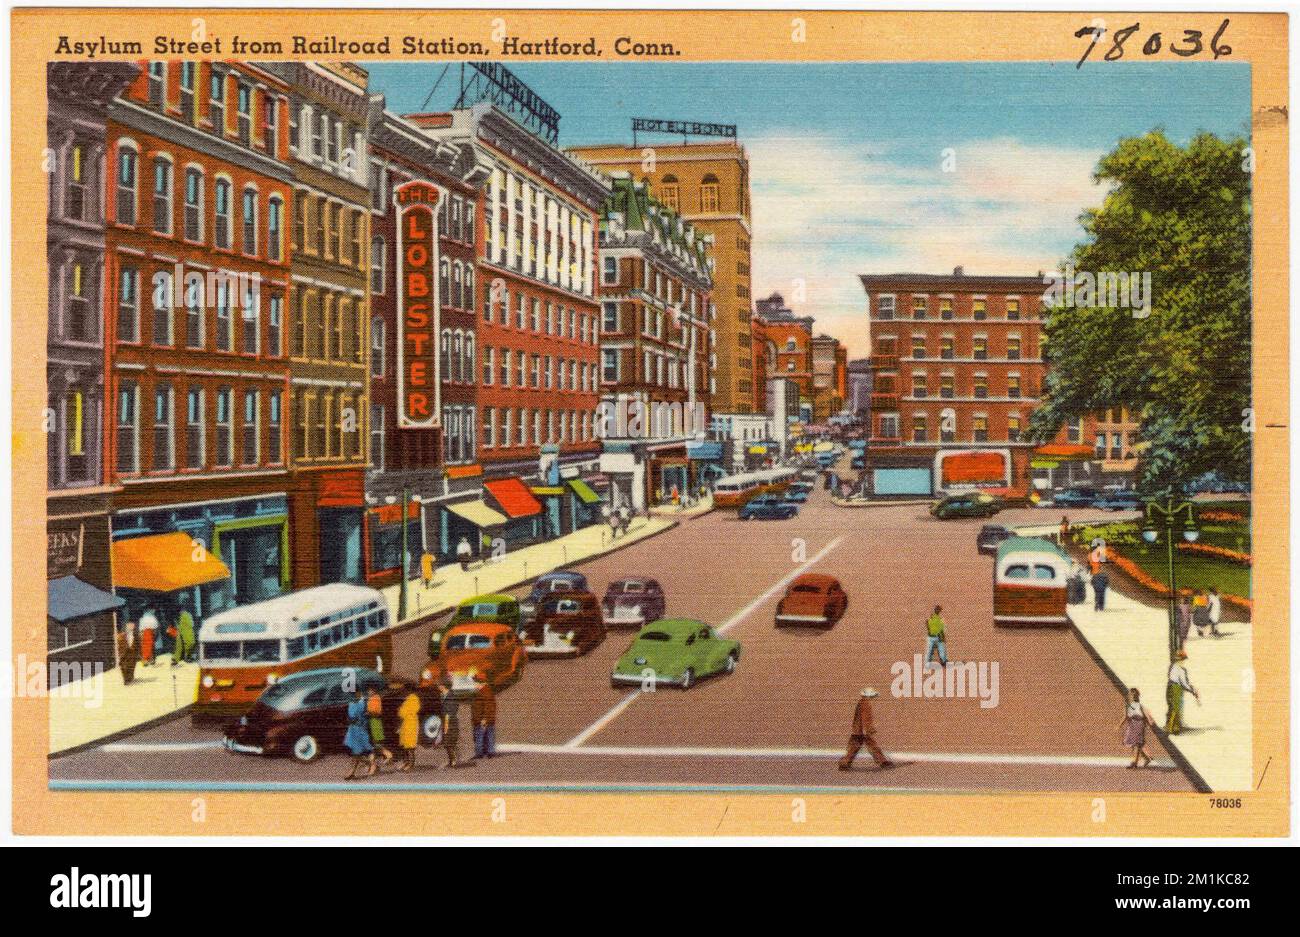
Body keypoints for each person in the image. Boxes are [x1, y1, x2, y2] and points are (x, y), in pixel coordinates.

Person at [838, 688, 894, 771]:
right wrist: (867, 729)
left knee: (854, 747)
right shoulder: (865, 704)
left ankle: (844, 763)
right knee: (873, 746)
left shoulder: (861, 702)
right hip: (863, 731)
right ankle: (883, 762)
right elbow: (865, 718)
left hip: (858, 730)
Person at [1164, 650, 1200, 734]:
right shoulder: (1181, 670)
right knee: (1176, 709)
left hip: (1169, 687)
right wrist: (1192, 690)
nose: (1183, 662)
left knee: (1171, 707)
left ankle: (1172, 727)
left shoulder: (1172, 666)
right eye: (1183, 660)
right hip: (1176, 689)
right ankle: (1172, 728)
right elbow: (1184, 684)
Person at [343, 690, 376, 780]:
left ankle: (352, 772)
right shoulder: (351, 703)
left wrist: (362, 718)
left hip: (360, 729)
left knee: (359, 751)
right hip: (352, 730)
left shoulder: (363, 703)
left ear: (359, 693)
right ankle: (369, 763)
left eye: (355, 694)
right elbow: (349, 717)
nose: (353, 696)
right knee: (355, 751)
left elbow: (366, 715)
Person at [1120, 687, 1156, 768]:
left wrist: (1149, 720)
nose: (1133, 697)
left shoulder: (1139, 705)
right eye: (1132, 695)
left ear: (1137, 696)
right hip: (1132, 725)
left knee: (1137, 743)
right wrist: (1120, 725)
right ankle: (1146, 758)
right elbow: (1125, 716)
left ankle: (1134, 762)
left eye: (1135, 695)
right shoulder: (1128, 705)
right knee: (1134, 743)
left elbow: (1145, 713)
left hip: (1139, 724)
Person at [471, 673, 498, 760]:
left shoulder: (485, 692)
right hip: (484, 719)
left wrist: (484, 718)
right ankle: (489, 751)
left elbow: (488, 707)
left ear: (481, 683)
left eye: (475, 682)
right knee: (488, 735)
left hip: (483, 720)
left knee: (480, 736)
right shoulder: (484, 691)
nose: (474, 684)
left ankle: (480, 752)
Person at [365, 686, 394, 766]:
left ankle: (388, 756)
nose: (368, 692)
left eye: (370, 690)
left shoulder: (376, 698)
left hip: (376, 722)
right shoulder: (372, 699)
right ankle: (378, 762)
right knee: (375, 744)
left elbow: (377, 712)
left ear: (374, 690)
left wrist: (368, 713)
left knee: (376, 744)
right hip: (373, 722)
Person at [396, 690, 421, 772]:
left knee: (410, 746)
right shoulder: (407, 699)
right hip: (406, 724)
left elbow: (404, 712)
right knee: (405, 746)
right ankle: (406, 762)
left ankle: (411, 764)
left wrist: (402, 711)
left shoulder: (413, 698)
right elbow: (401, 712)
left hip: (411, 724)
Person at [440, 680, 461, 768]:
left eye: (440, 685)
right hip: (446, 720)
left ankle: (453, 760)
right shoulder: (443, 696)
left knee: (449, 742)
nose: (439, 686)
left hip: (450, 722)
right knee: (447, 742)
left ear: (444, 686)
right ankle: (452, 760)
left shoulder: (450, 697)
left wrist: (446, 725)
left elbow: (449, 712)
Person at [925, 605, 948, 669]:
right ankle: (943, 661)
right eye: (939, 610)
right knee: (940, 650)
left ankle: (928, 663)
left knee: (930, 650)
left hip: (932, 637)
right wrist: (943, 638)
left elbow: (926, 622)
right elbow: (942, 630)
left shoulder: (931, 617)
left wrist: (929, 630)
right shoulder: (939, 619)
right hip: (937, 637)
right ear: (938, 611)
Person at [116, 621, 138, 685]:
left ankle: (130, 678)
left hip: (132, 653)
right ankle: (125, 679)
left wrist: (137, 653)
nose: (132, 627)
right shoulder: (121, 635)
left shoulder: (135, 635)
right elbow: (119, 645)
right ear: (126, 627)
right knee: (124, 667)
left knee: (131, 666)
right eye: (130, 626)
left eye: (132, 626)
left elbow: (138, 644)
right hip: (124, 653)